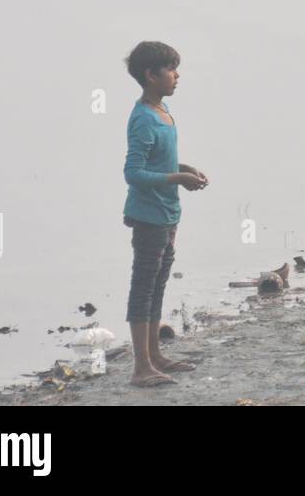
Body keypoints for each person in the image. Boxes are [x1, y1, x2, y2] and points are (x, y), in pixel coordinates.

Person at [122, 41, 209, 388]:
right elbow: (133, 173)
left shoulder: (164, 111)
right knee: (143, 288)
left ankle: (155, 355)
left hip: (168, 214)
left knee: (157, 284)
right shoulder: (143, 118)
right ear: (150, 75)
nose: (177, 76)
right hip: (148, 216)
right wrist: (177, 178)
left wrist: (183, 168)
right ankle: (140, 366)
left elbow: (159, 161)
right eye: (171, 70)